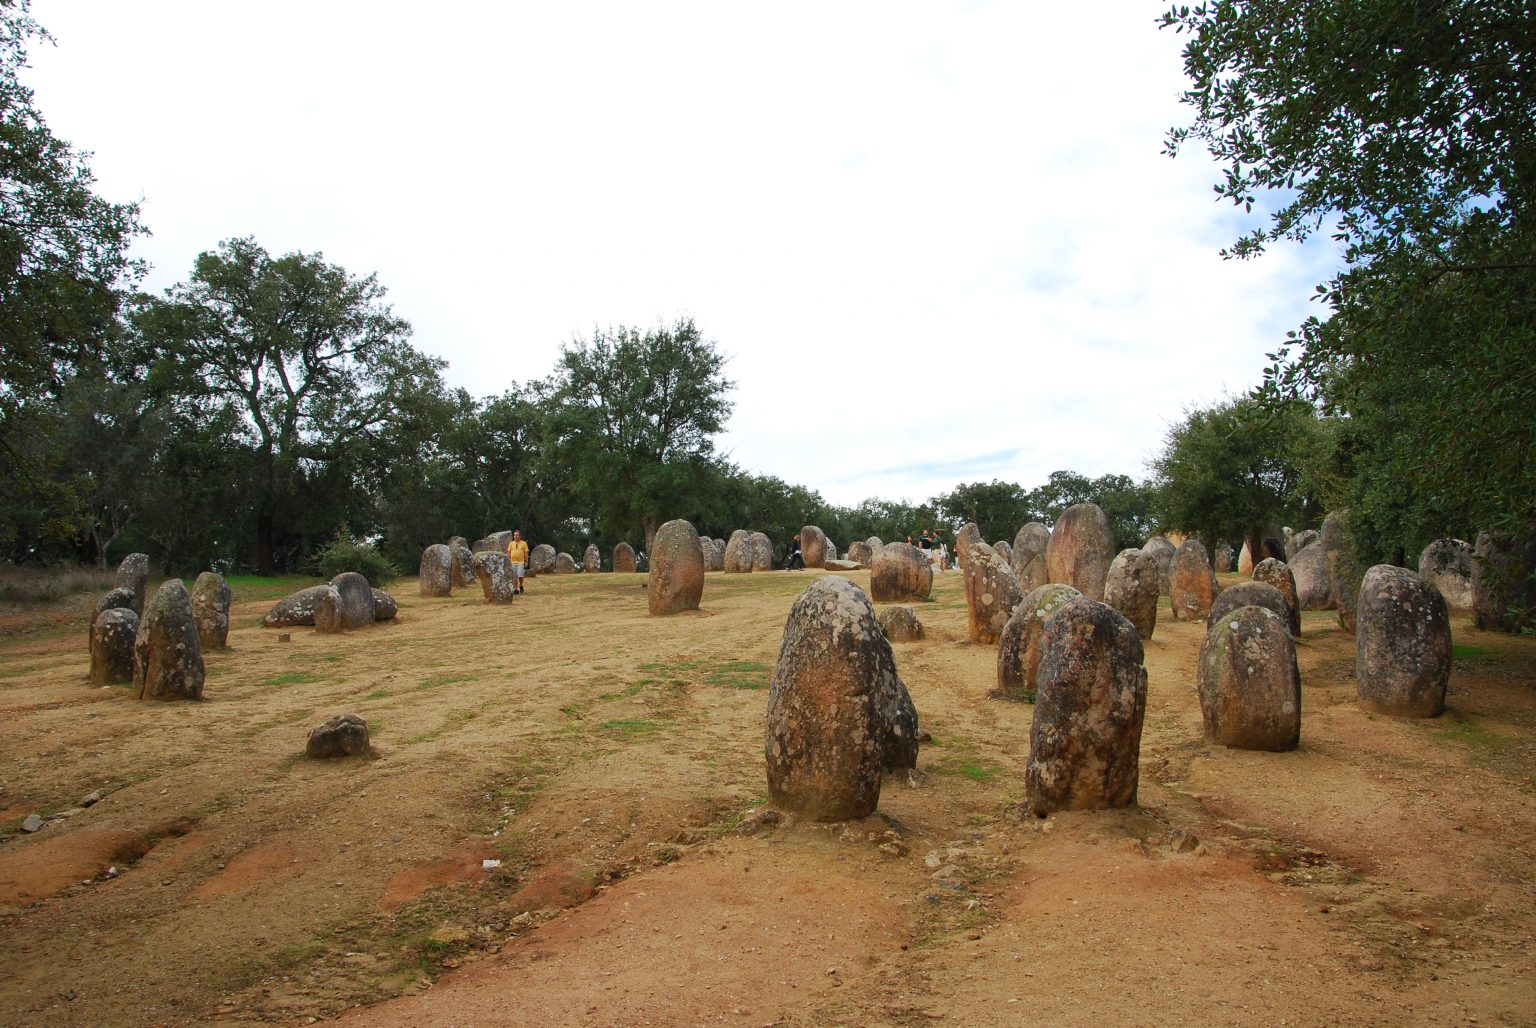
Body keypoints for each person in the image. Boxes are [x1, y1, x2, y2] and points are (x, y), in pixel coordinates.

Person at [506, 530, 530, 594]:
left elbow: (526, 553)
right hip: (512, 562)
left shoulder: (524, 543)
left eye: (517, 535)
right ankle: (516, 589)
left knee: (520, 575)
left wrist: (526, 562)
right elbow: (508, 553)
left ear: (519, 536)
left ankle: (521, 585)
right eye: (514, 535)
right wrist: (508, 561)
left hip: (521, 562)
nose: (515, 536)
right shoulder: (511, 543)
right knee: (514, 576)